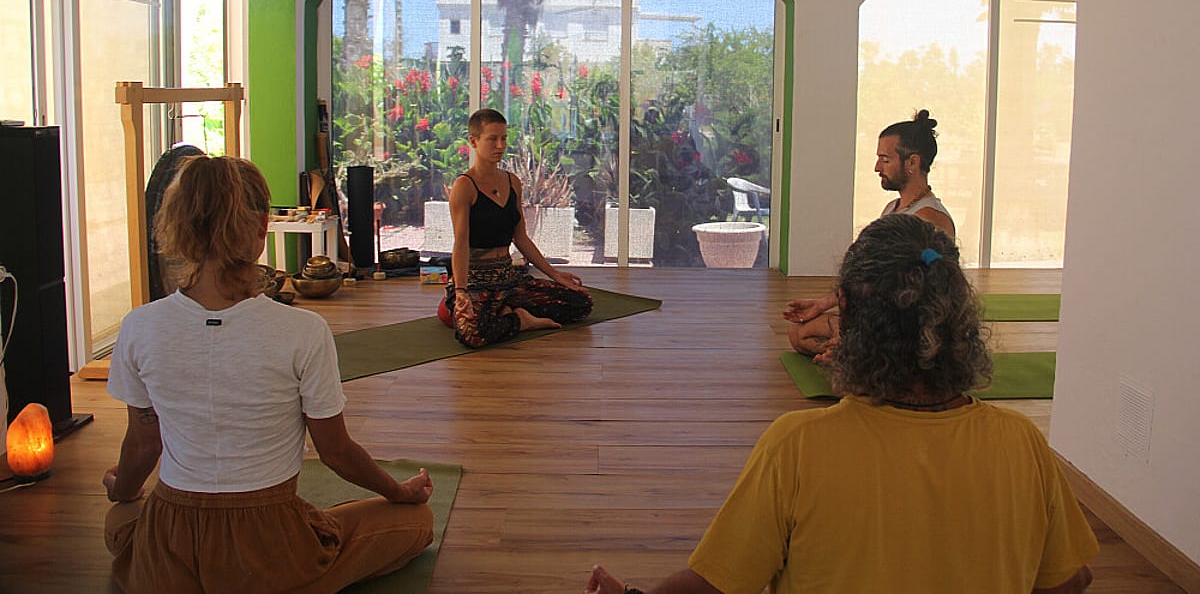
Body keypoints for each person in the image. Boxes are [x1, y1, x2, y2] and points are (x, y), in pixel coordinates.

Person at [583, 214, 1098, 594]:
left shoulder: (799, 447)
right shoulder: (1021, 443)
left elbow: (716, 586)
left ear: (848, 315)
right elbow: (1069, 581)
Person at [103, 155, 434, 594]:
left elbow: (143, 443)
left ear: (176, 225)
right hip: (269, 546)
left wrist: (122, 489)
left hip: (171, 540)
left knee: (121, 518)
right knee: (416, 521)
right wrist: (398, 492)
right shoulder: (302, 331)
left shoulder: (139, 326)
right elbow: (336, 452)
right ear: (262, 228)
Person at [787, 109, 953, 355]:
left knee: (829, 340)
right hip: (882, 315)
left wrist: (857, 327)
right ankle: (852, 352)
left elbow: (927, 294)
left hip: (912, 327)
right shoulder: (893, 208)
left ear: (912, 162)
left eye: (885, 160)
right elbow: (870, 274)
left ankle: (857, 354)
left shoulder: (929, 219)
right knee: (799, 332)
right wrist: (823, 304)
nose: (877, 167)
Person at [444, 108, 592, 347]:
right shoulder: (464, 186)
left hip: (508, 279)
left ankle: (506, 311)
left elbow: (520, 237)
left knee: (581, 303)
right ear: (473, 141)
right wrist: (461, 290)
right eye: (492, 139)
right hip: (475, 280)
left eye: (504, 138)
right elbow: (460, 243)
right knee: (472, 334)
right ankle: (520, 320)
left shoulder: (512, 182)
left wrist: (555, 274)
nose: (500, 145)